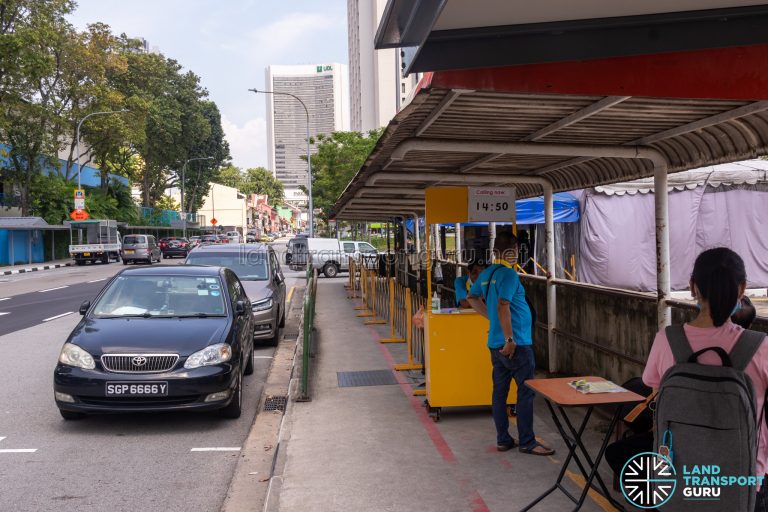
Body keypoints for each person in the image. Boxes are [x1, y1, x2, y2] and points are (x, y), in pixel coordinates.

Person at [630, 248, 768, 511]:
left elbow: (657, 391)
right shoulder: (761, 347)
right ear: (742, 289)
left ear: (693, 286)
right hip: (744, 479)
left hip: (677, 479)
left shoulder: (667, 340)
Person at [467, 232, 555, 455]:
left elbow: (471, 297)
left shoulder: (487, 273)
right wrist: (509, 339)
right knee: (525, 392)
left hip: (495, 343)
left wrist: (491, 319)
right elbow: (503, 305)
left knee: (500, 393)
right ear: (514, 249)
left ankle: (503, 439)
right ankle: (527, 441)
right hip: (515, 344)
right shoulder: (508, 274)